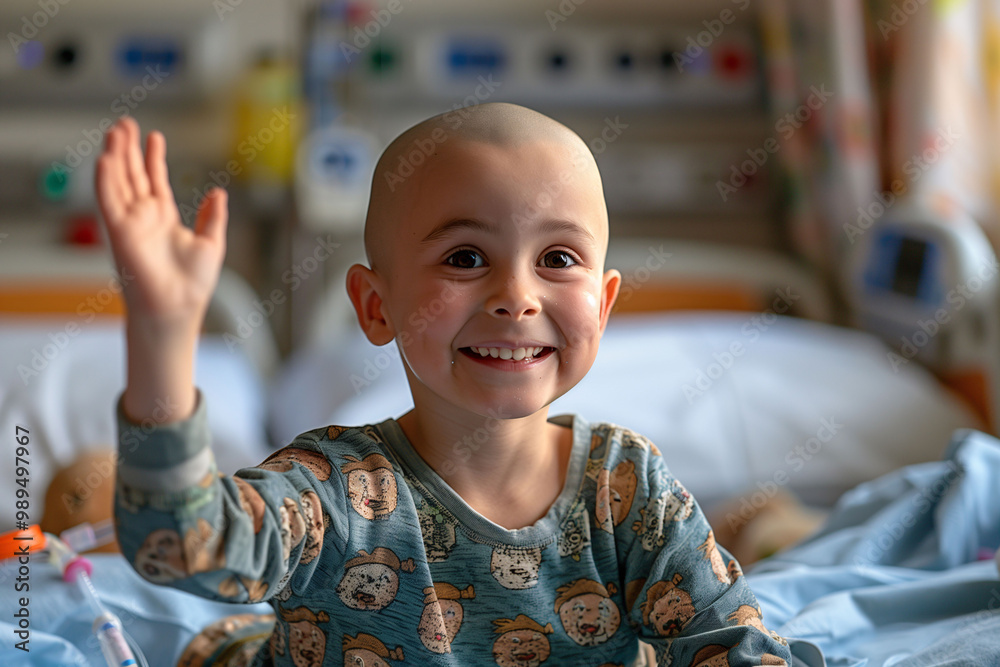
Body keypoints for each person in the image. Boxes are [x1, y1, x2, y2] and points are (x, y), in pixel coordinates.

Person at [97, 104, 794, 666]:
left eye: (557, 257)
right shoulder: (335, 493)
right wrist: (162, 333)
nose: (516, 295)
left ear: (604, 305)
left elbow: (734, 644)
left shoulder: (627, 492)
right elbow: (179, 544)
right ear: (377, 306)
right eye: (465, 257)